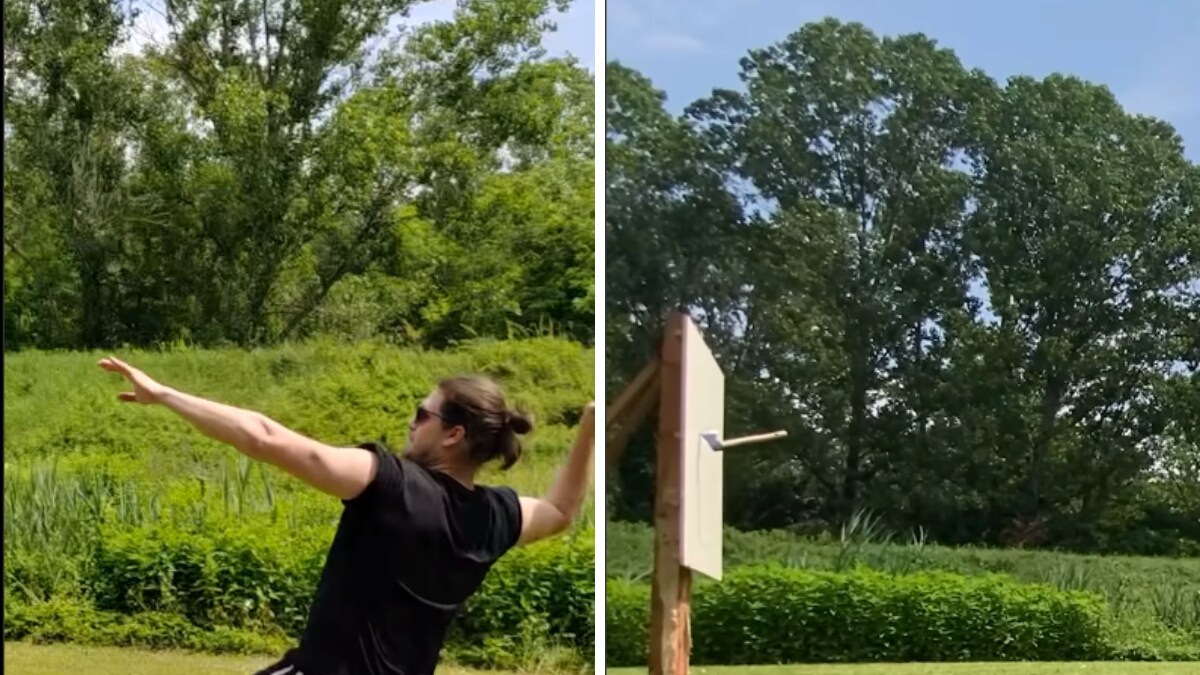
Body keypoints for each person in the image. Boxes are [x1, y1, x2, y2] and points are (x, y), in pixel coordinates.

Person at [98, 356, 595, 675]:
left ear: (453, 435)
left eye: (423, 414)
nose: (411, 420)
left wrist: (163, 394)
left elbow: (265, 438)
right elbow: (558, 511)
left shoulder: (390, 484)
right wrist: (589, 432)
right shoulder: (495, 517)